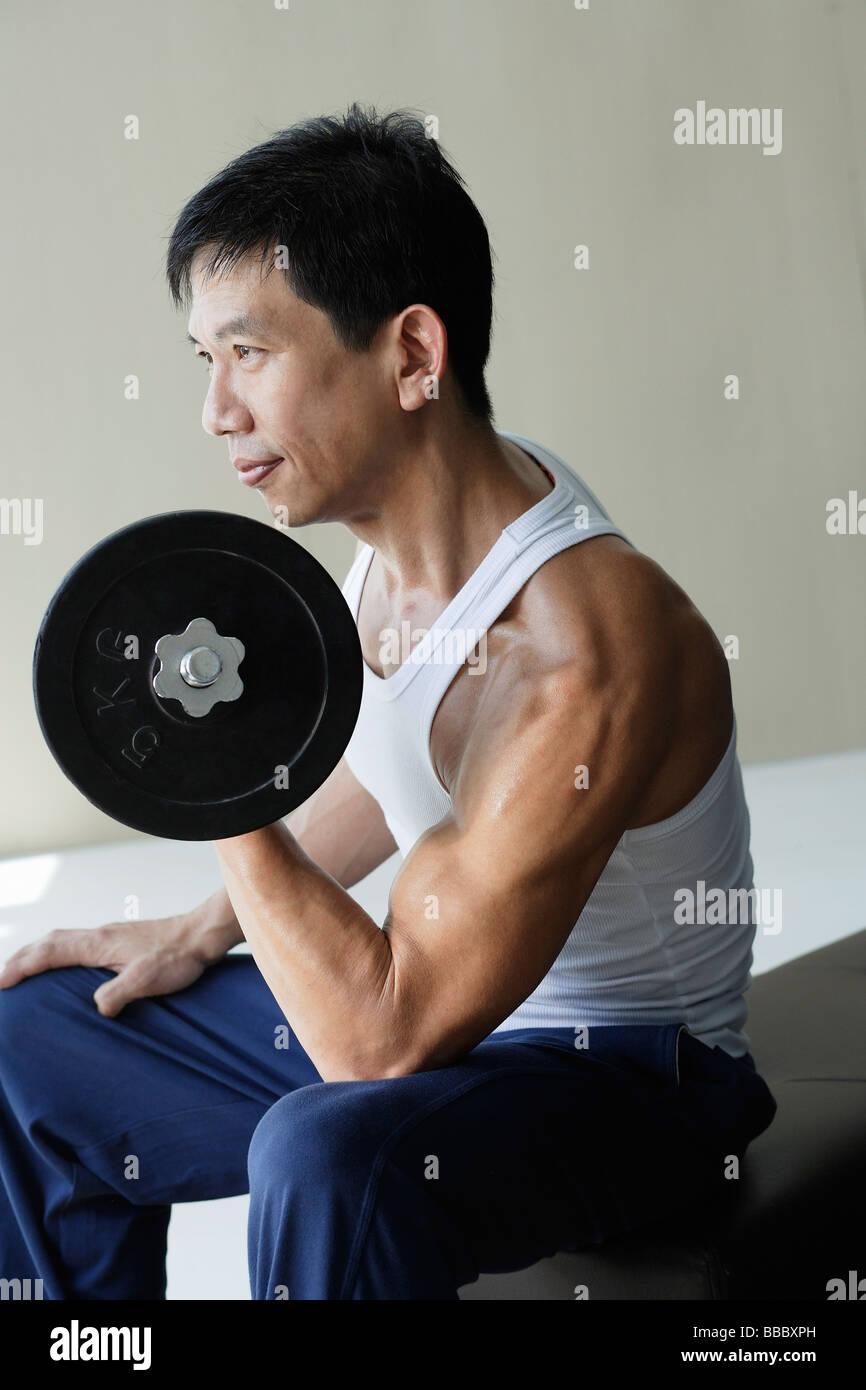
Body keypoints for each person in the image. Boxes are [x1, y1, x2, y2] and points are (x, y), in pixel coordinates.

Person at [0, 103, 776, 1301]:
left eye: (249, 354)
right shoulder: (401, 540)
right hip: (453, 1018)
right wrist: (201, 926)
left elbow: (379, 1043)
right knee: (29, 1036)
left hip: (628, 1080)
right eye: (205, 362)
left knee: (327, 1152)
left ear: (412, 355)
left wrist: (215, 781)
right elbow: (396, 765)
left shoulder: (581, 657)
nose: (216, 411)